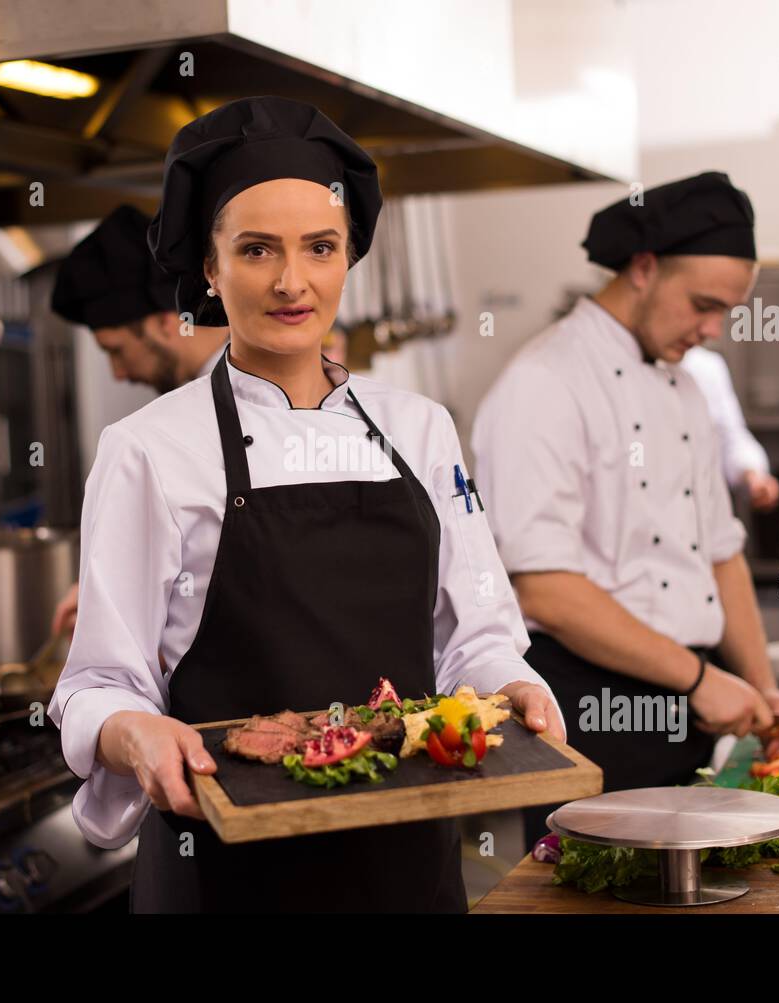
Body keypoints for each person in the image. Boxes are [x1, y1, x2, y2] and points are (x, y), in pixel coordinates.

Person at [47, 95, 564, 913]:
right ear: (210, 270)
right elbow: (98, 683)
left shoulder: (420, 429)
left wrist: (515, 682)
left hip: (404, 866)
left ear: (347, 257)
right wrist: (131, 730)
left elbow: (477, 639)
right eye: (256, 250)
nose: (293, 282)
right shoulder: (149, 448)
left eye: (320, 247)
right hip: (224, 874)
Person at [472, 172, 779, 845]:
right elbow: (546, 587)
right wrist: (703, 679)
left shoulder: (684, 388)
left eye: (726, 313)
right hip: (594, 708)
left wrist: (764, 695)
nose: (711, 330)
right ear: (644, 268)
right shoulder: (543, 383)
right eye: (703, 304)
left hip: (689, 696)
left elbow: (721, 550)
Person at [49, 205, 227, 637]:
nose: (119, 374)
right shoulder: (192, 410)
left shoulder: (238, 401)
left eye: (116, 350)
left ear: (167, 322)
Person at [680, 345, 779, 510]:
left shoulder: (707, 366)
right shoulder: (631, 372)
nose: (712, 331)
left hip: (709, 515)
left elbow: (731, 438)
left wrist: (754, 476)